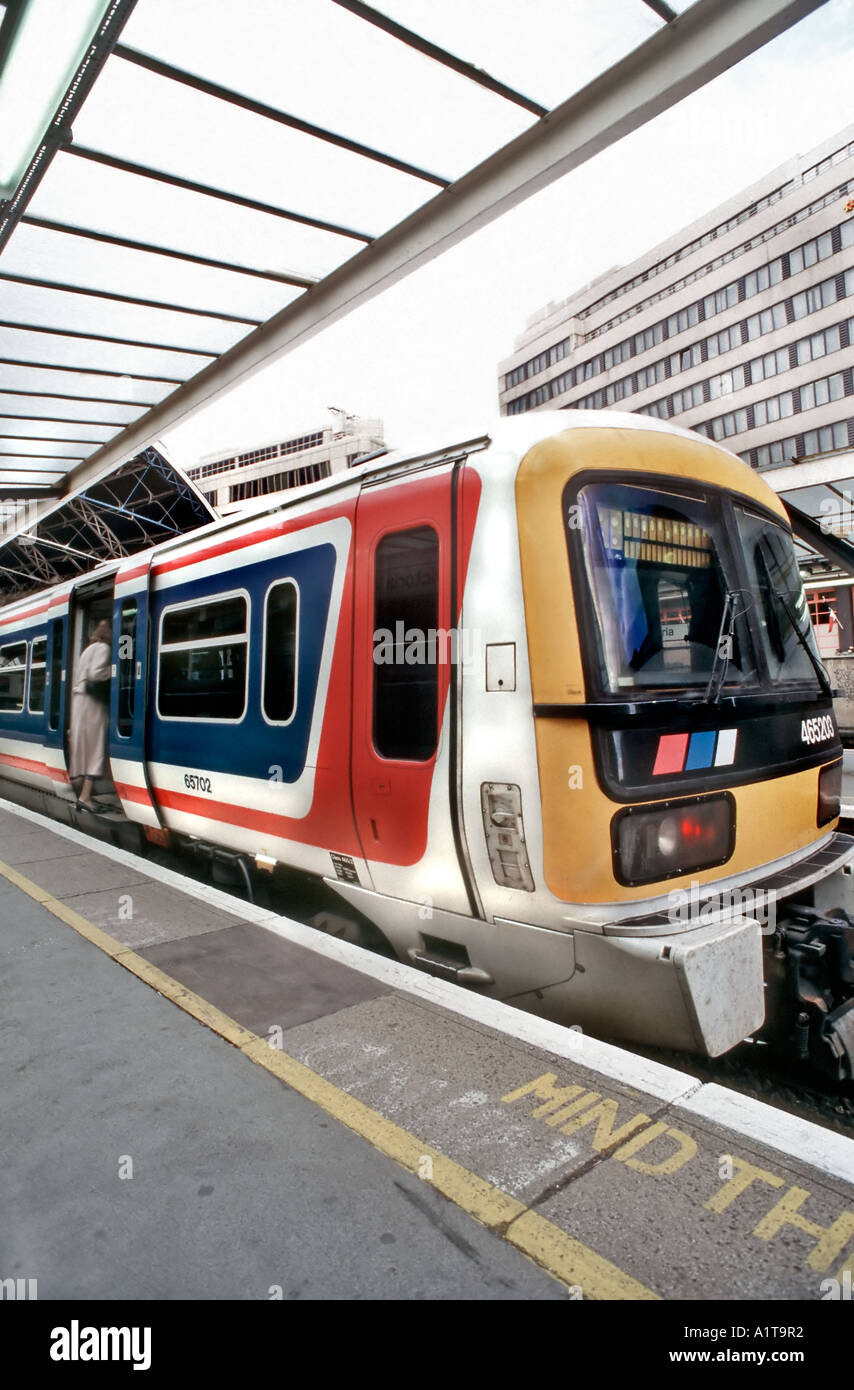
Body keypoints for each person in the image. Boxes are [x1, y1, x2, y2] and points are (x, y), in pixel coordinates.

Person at [69, 619, 112, 811]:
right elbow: (96, 674)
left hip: (80, 701)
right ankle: (85, 798)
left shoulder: (88, 649)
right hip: (93, 704)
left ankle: (79, 790)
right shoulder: (103, 648)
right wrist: (114, 671)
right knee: (95, 750)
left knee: (83, 747)